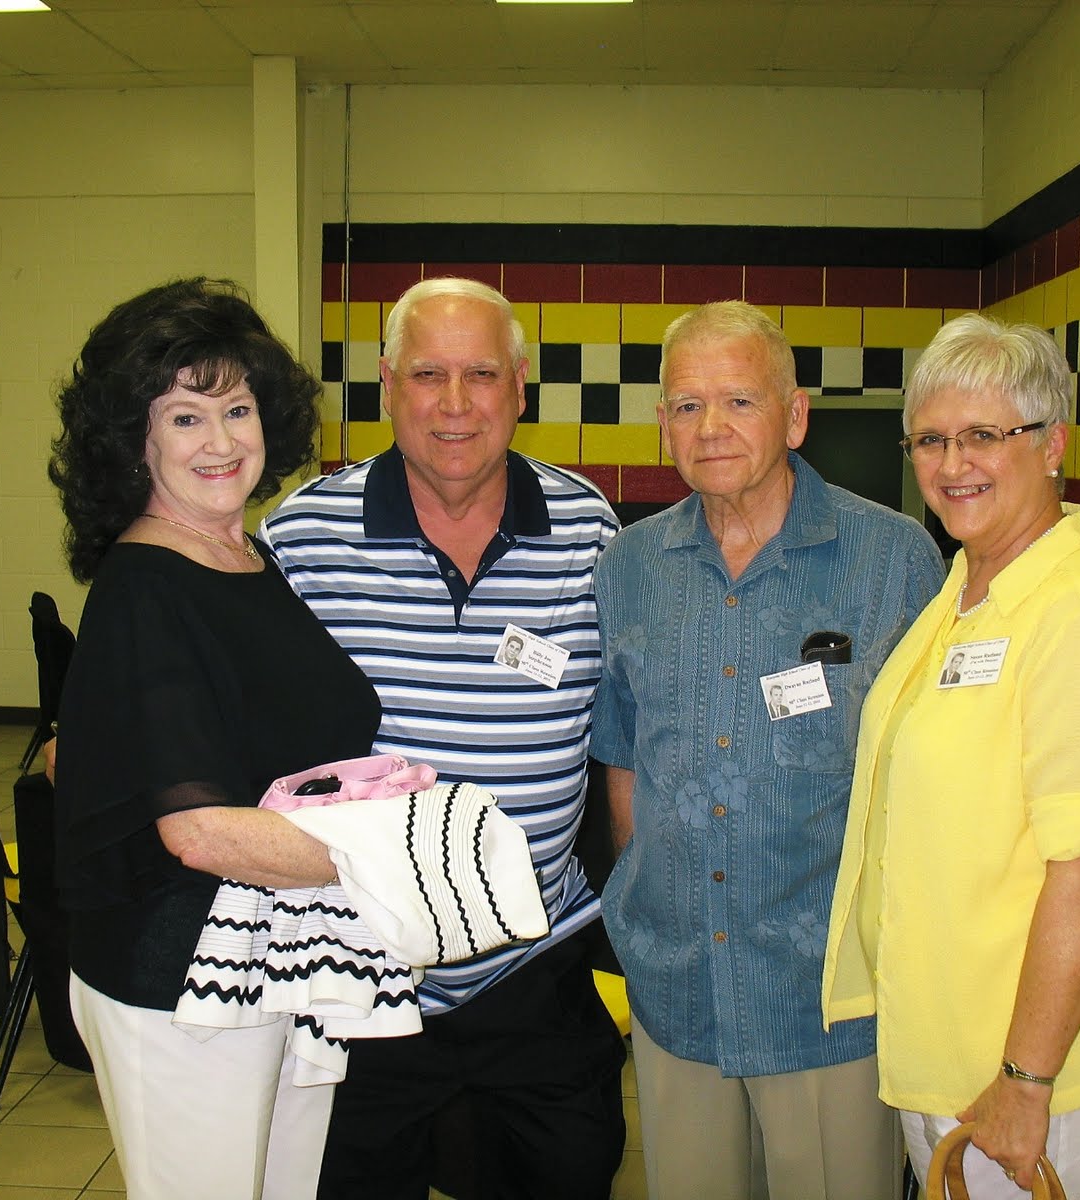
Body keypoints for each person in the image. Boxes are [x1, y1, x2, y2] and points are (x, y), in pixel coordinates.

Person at [260, 277, 627, 1199]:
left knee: (575, 1173)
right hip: (357, 972)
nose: (455, 405)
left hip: (534, 968)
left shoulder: (590, 532)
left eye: (480, 375)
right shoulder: (300, 538)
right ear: (387, 386)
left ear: (521, 386)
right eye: (429, 375)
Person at [821, 314, 1080, 1200]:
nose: (953, 465)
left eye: (985, 435)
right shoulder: (973, 584)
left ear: (1052, 443)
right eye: (932, 440)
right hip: (951, 1035)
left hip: (1013, 1057)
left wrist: (1025, 1079)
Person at [591, 301, 944, 1199]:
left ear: (795, 416)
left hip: (824, 998)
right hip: (680, 990)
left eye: (740, 402)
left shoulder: (892, 559)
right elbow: (625, 757)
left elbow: (930, 782)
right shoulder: (629, 565)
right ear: (661, 422)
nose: (710, 428)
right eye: (685, 405)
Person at [48, 278, 382, 1200]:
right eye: (185, 417)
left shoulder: (246, 556)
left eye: (236, 408)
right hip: (182, 984)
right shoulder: (145, 586)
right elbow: (195, 829)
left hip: (277, 951)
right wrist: (401, 864)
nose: (222, 440)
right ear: (135, 440)